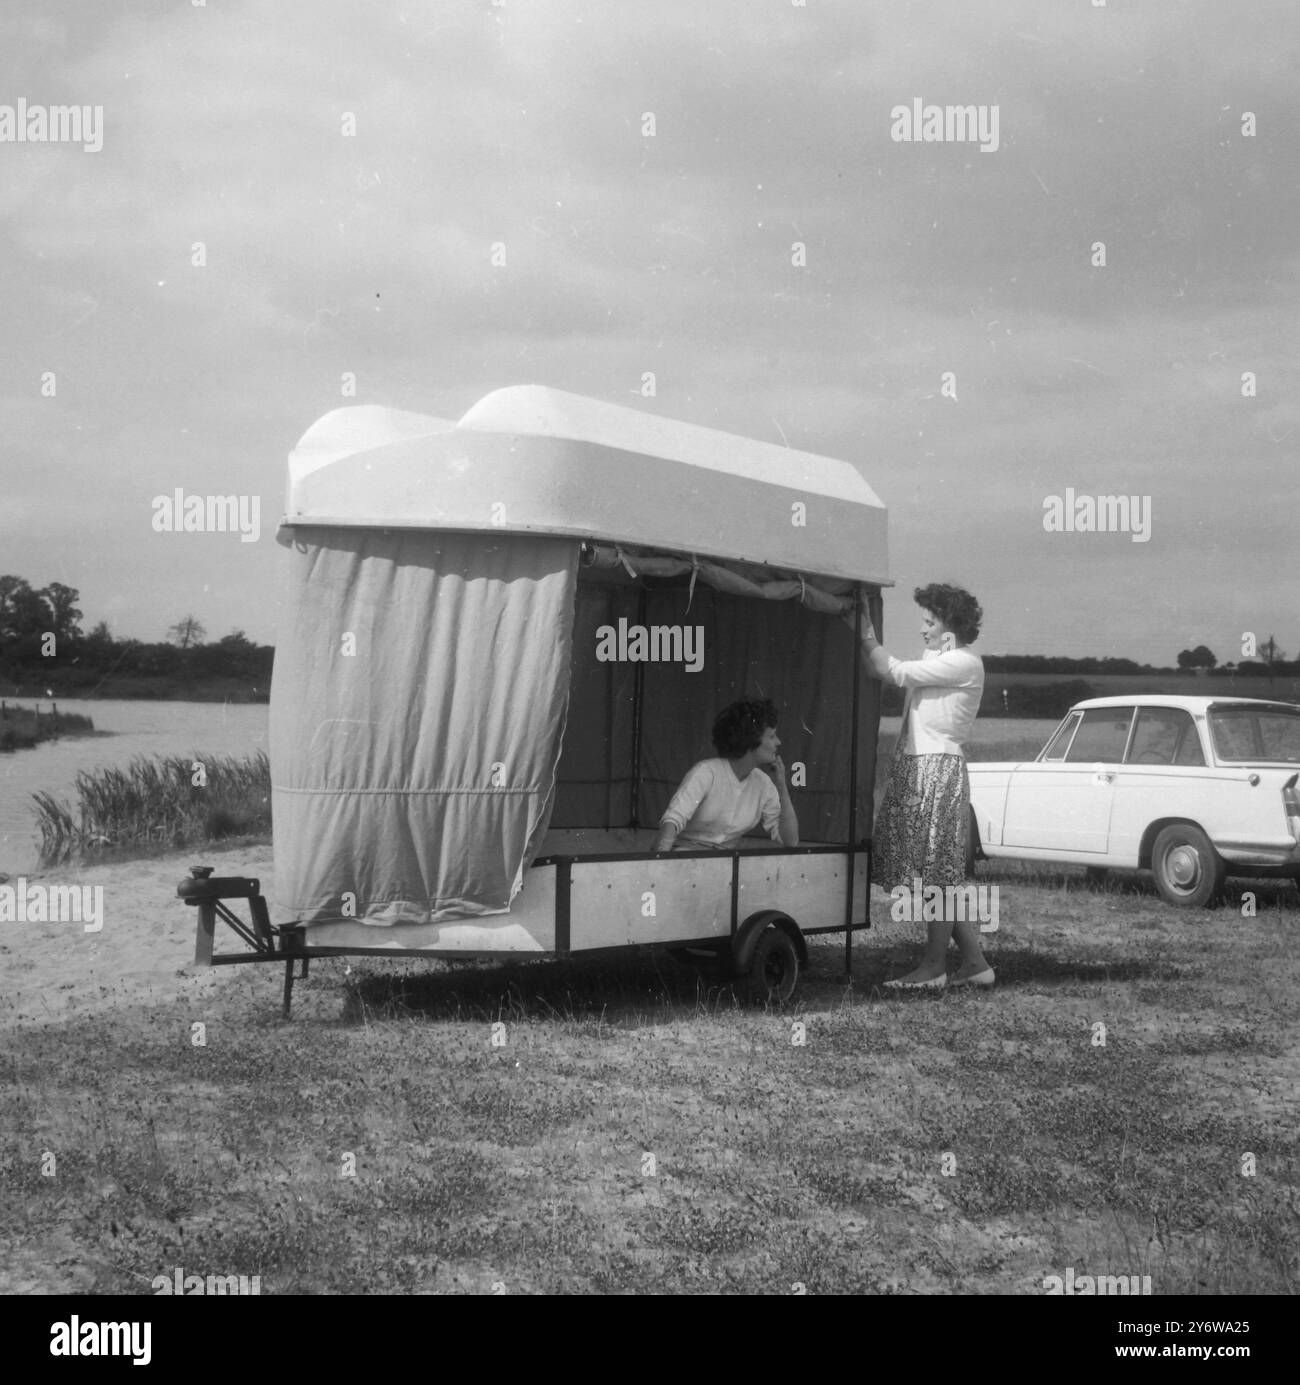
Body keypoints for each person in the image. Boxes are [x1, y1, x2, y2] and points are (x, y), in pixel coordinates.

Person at [848, 583, 993, 991]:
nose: (922, 629)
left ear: (951, 628)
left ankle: (934, 967)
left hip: (937, 770)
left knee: (937, 874)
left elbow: (892, 670)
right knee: (934, 871)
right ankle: (975, 964)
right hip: (920, 766)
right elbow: (887, 665)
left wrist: (866, 632)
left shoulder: (964, 663)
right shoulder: (943, 658)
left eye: (930, 621)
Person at [653, 698, 799, 852]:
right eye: (771, 736)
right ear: (751, 740)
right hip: (683, 857)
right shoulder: (706, 772)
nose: (778, 742)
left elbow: (790, 841)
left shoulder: (764, 783)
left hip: (725, 865)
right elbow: (672, 821)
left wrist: (782, 787)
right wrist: (660, 865)